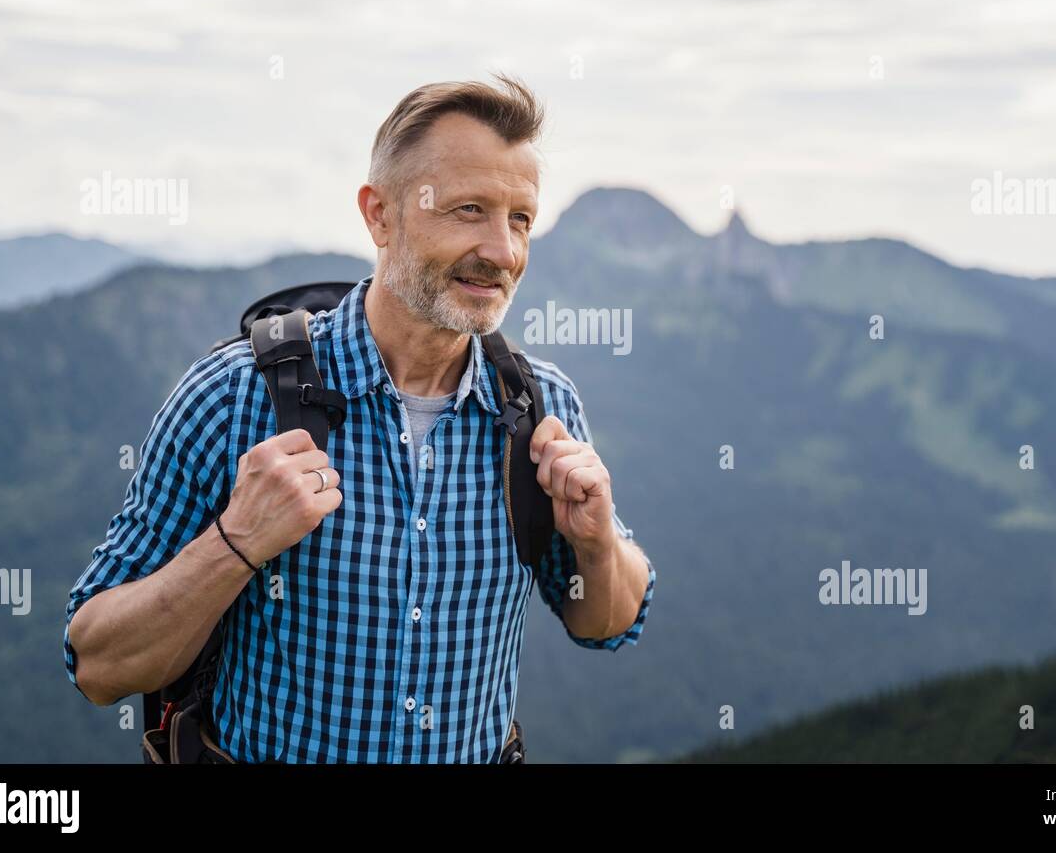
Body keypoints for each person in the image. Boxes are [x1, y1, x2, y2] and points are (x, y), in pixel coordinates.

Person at [62, 73, 655, 762]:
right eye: (468, 210)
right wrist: (238, 541)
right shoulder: (231, 397)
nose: (503, 251)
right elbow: (98, 665)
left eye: (520, 218)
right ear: (379, 214)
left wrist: (595, 542)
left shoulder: (540, 409)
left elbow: (607, 624)